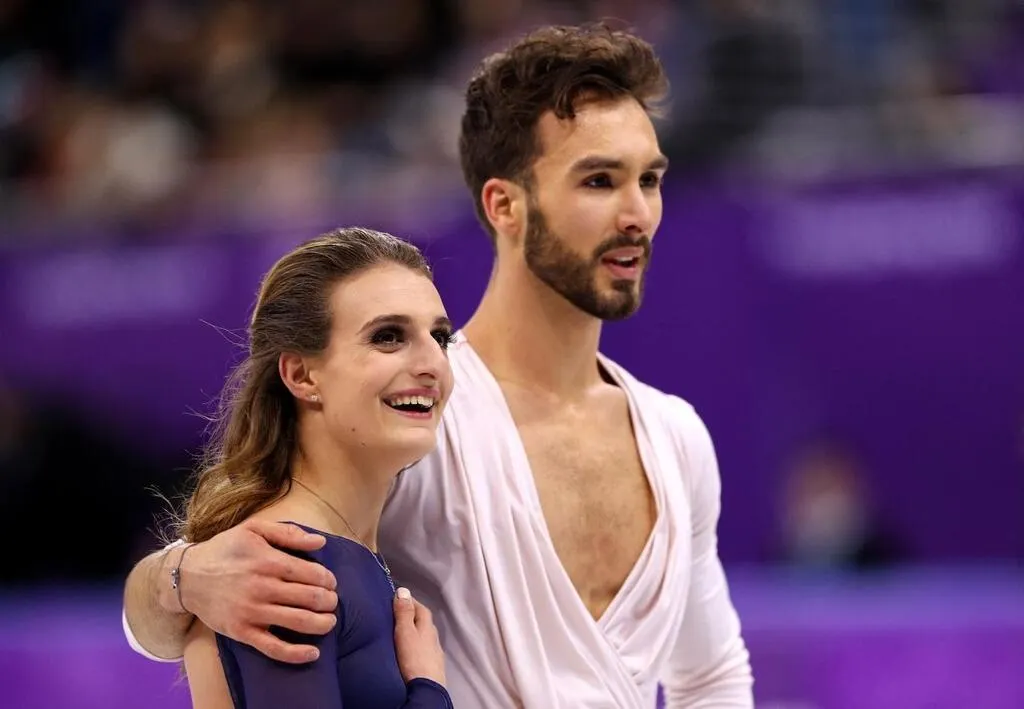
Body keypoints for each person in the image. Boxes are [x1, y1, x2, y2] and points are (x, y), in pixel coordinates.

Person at [123, 23, 754, 707]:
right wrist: (184, 577)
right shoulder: (416, 411)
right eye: (600, 179)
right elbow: (182, 598)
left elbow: (712, 674)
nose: (638, 213)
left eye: (650, 180)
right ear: (504, 204)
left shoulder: (676, 435)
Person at [171, 227, 456, 708]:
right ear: (302, 375)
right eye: (389, 337)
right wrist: (430, 691)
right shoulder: (287, 565)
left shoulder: (338, 552)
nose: (434, 363)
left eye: (440, 337)